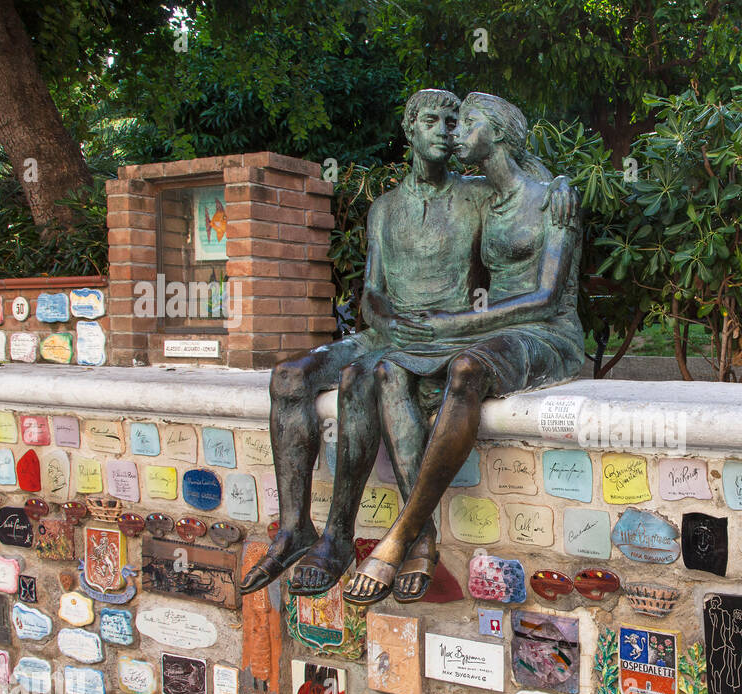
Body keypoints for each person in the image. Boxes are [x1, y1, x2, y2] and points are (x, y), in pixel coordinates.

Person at [237, 89, 572, 597]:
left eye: (455, 121)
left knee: (366, 377)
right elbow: (371, 294)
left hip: (440, 332)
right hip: (387, 329)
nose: (447, 130)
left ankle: (353, 535)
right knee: (287, 376)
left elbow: (520, 186)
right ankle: (293, 529)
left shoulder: (479, 196)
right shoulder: (384, 208)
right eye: (433, 121)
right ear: (410, 130)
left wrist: (560, 183)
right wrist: (387, 316)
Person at [343, 91, 584, 604]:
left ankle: (402, 533)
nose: (454, 133)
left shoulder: (553, 197)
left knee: (467, 367)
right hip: (498, 331)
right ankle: (410, 537)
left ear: (496, 133)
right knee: (398, 370)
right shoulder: (487, 201)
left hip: (549, 333)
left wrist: (456, 320)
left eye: (466, 122)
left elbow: (544, 296)